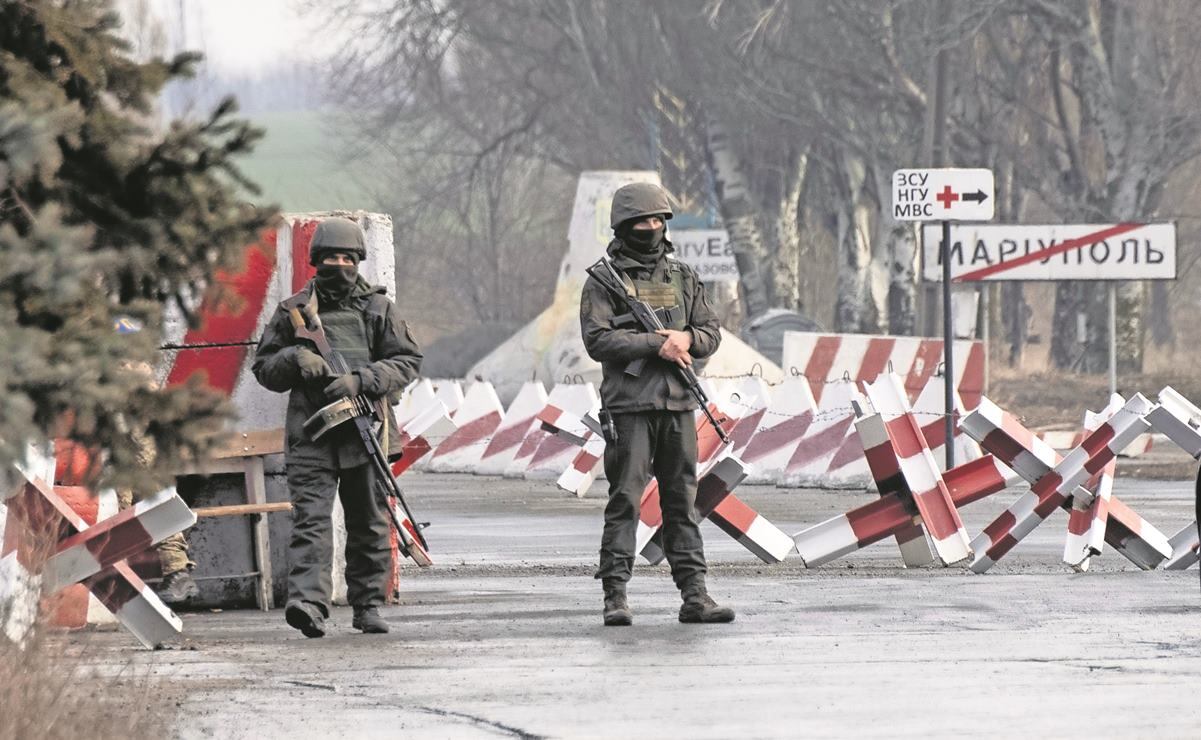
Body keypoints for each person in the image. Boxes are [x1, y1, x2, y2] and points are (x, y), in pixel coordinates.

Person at [252, 217, 422, 637]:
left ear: (359, 261)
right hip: (312, 434)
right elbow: (265, 369)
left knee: (369, 521)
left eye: (347, 259)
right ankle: (309, 603)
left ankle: (367, 604)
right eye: (331, 258)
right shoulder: (294, 311)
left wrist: (361, 380)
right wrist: (295, 358)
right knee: (311, 521)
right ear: (317, 260)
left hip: (366, 429)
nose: (340, 265)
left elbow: (407, 361)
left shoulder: (378, 308)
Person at [579, 182, 735, 626]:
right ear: (623, 226)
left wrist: (686, 338)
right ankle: (615, 596)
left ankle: (695, 595)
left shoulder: (683, 277)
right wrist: (654, 344)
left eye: (657, 220)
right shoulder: (604, 281)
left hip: (678, 405)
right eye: (642, 221)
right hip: (629, 407)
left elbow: (710, 332)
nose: (651, 227)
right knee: (625, 500)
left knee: (682, 503)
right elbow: (598, 339)